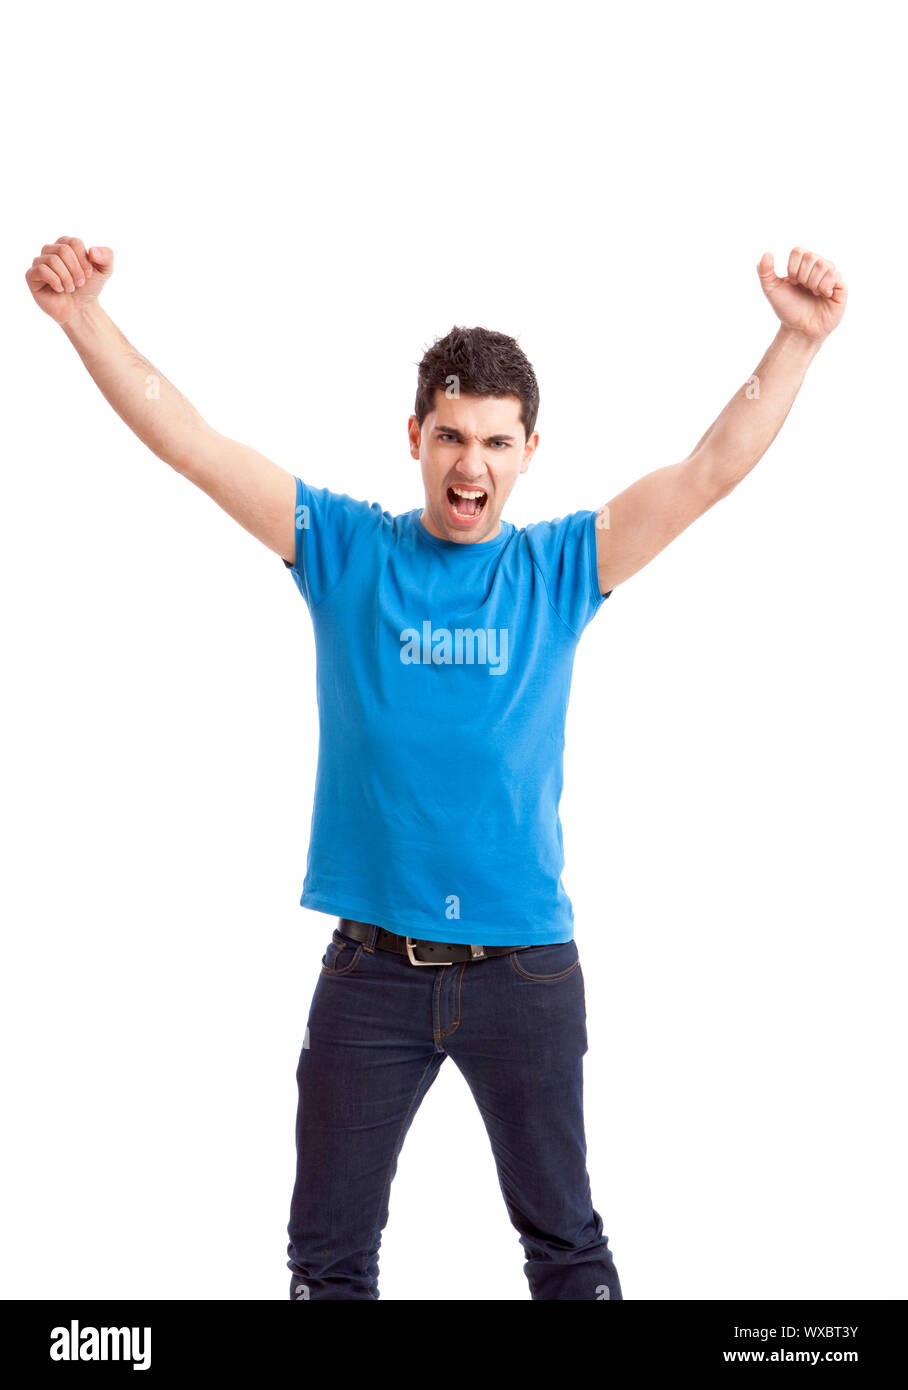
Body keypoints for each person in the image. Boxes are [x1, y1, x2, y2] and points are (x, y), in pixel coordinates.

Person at [25, 238, 847, 1300]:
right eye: (451, 436)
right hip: (370, 975)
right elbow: (192, 443)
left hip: (526, 971)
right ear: (414, 437)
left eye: (496, 442)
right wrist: (83, 314)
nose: (472, 464)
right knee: (326, 1258)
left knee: (565, 1244)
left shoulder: (560, 566)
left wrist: (793, 338)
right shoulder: (343, 549)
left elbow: (709, 470)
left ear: (528, 450)